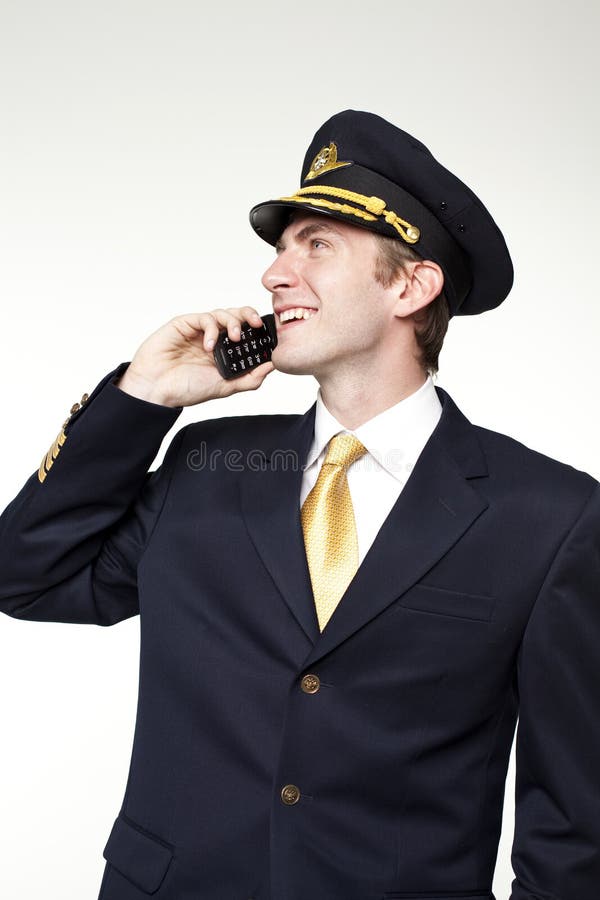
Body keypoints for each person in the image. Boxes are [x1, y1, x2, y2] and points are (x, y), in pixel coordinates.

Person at [0, 110, 598, 900]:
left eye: (317, 245)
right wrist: (142, 398)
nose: (276, 274)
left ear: (412, 286)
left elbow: (573, 823)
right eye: (282, 249)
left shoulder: (549, 517)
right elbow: (25, 577)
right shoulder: (206, 467)